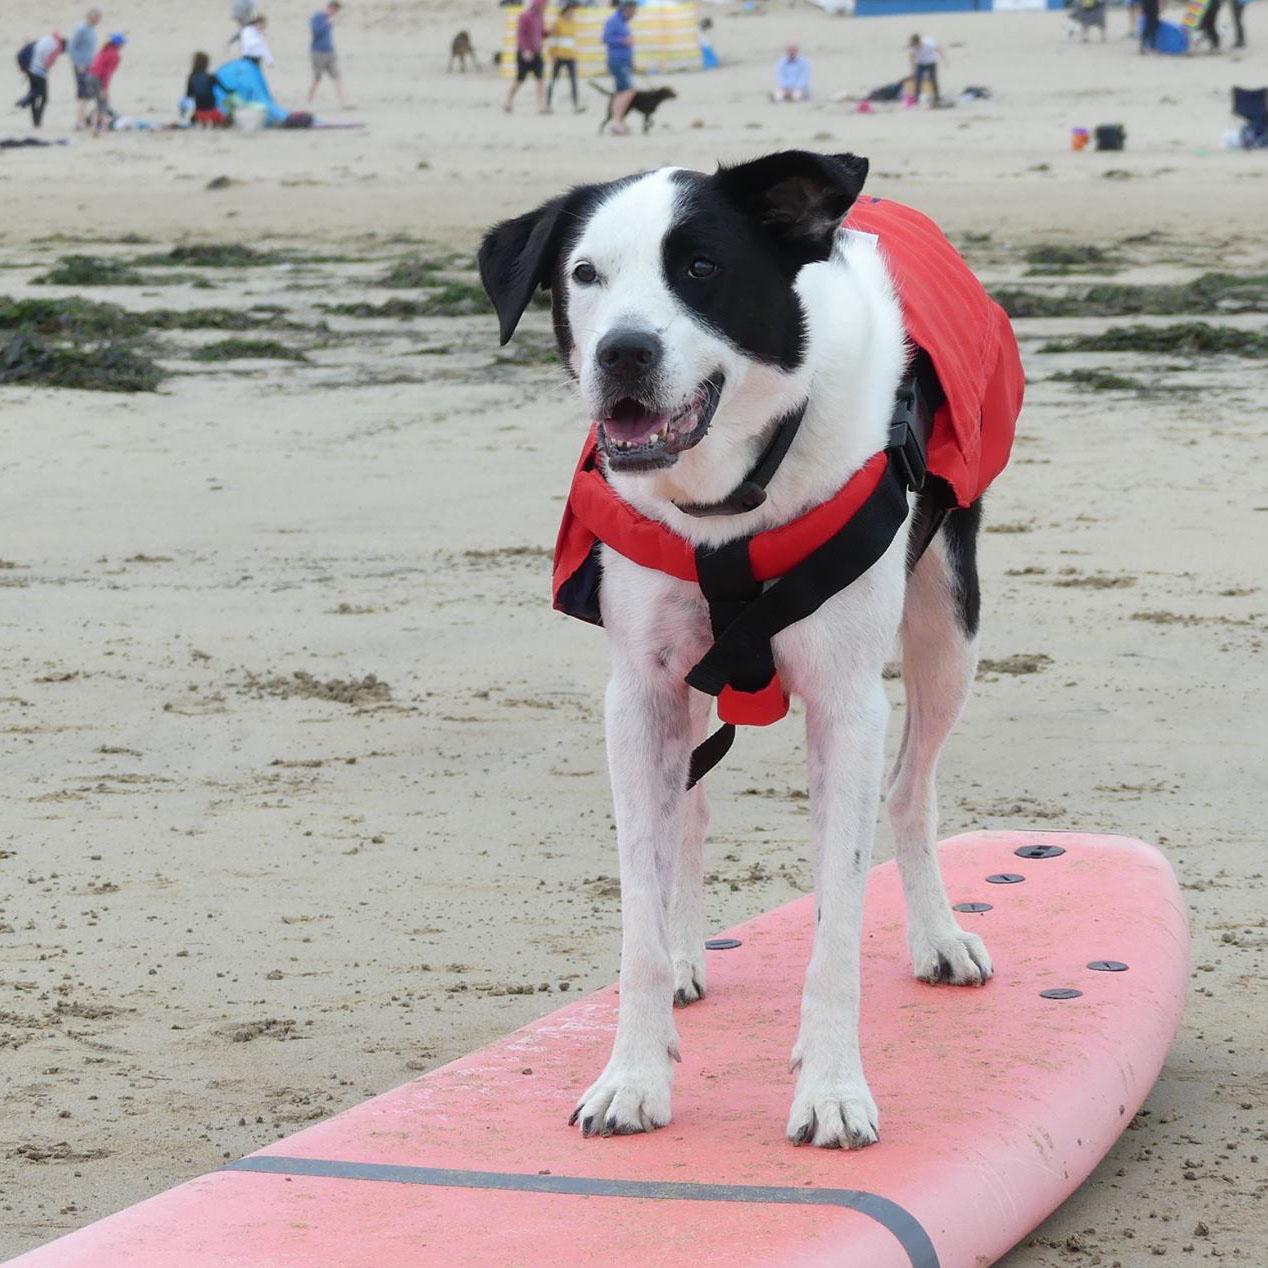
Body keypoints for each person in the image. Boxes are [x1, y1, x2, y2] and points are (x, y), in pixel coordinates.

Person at [505, 0, 548, 114]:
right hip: (524, 53)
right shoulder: (524, 16)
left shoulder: (540, 17)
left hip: (537, 52)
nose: (545, 7)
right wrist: (524, 50)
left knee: (540, 79)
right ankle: (508, 101)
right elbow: (520, 34)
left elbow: (542, 33)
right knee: (520, 79)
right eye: (544, 5)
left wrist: (550, 32)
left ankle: (541, 106)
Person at [15, 32, 65, 128]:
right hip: (39, 73)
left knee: (34, 95)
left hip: (30, 70)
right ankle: (37, 121)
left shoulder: (49, 38)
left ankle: (35, 122)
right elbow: (47, 63)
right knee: (44, 97)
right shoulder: (57, 48)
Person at [603, 0, 638, 135]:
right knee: (629, 90)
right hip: (617, 60)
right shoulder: (614, 21)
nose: (635, 13)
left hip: (623, 61)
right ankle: (616, 121)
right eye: (634, 10)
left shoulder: (623, 22)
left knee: (619, 92)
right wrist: (622, 41)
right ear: (627, 8)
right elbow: (605, 38)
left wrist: (631, 61)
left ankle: (618, 120)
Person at [68, 8, 103, 130]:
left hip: (90, 66)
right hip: (81, 66)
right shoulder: (81, 29)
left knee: (88, 94)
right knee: (82, 95)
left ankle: (83, 121)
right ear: (90, 17)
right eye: (98, 18)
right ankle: (78, 122)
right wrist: (78, 64)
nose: (99, 21)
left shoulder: (92, 30)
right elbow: (71, 47)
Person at [84, 32, 124, 135]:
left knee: (99, 103)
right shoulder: (114, 55)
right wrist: (104, 88)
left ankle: (95, 127)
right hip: (97, 78)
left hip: (90, 76)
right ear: (119, 44)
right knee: (103, 104)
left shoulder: (104, 50)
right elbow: (106, 73)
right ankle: (101, 128)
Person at [308, 2, 347, 106]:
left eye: (336, 11)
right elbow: (315, 32)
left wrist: (333, 51)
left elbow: (328, 37)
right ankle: (309, 101)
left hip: (329, 52)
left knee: (337, 76)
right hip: (318, 52)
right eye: (334, 10)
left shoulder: (329, 19)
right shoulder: (317, 17)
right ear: (329, 8)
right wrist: (326, 23)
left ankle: (343, 101)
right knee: (317, 79)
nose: (335, 13)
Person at [547, 2, 582, 113]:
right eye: (570, 11)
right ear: (566, 11)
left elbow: (572, 40)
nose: (572, 13)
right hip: (559, 56)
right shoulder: (557, 22)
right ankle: (549, 104)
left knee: (573, 81)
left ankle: (576, 104)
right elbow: (552, 40)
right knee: (554, 80)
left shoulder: (573, 22)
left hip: (570, 56)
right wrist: (552, 54)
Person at [187, 51, 227, 126]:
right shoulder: (211, 77)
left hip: (198, 113)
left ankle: (202, 122)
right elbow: (226, 90)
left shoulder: (191, 77)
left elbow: (189, 95)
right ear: (206, 64)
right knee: (226, 120)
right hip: (212, 112)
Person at [908, 33, 944, 105]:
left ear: (919, 42)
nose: (916, 47)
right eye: (914, 45)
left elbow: (938, 49)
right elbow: (912, 58)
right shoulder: (913, 48)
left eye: (916, 45)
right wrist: (913, 70)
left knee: (933, 80)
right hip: (920, 64)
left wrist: (944, 59)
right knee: (918, 80)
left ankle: (937, 97)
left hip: (931, 63)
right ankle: (916, 99)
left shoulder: (929, 43)